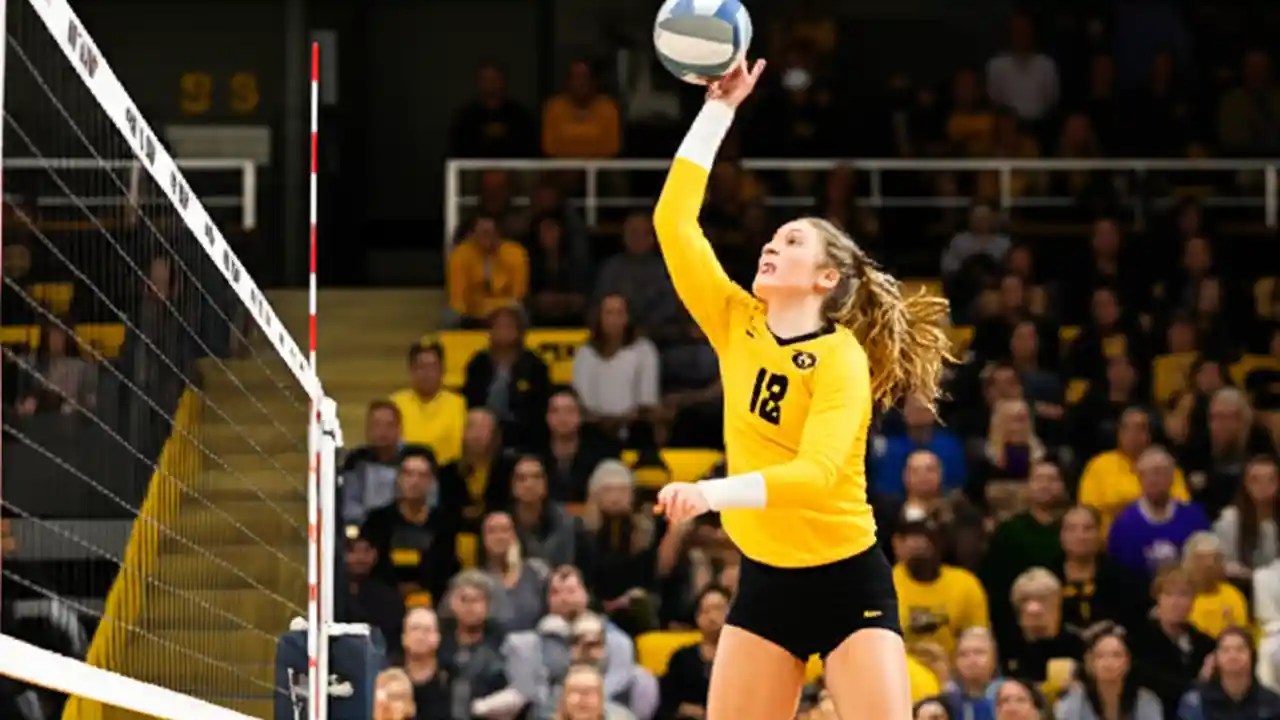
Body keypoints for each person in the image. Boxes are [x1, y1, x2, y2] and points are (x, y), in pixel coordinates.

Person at [652, 60, 952, 720]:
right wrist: (718, 111)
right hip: (765, 581)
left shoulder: (840, 357)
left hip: (848, 581)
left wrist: (708, 493)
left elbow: (815, 475)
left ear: (824, 278)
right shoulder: (735, 322)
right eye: (772, 236)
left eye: (791, 242)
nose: (769, 244)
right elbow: (674, 225)